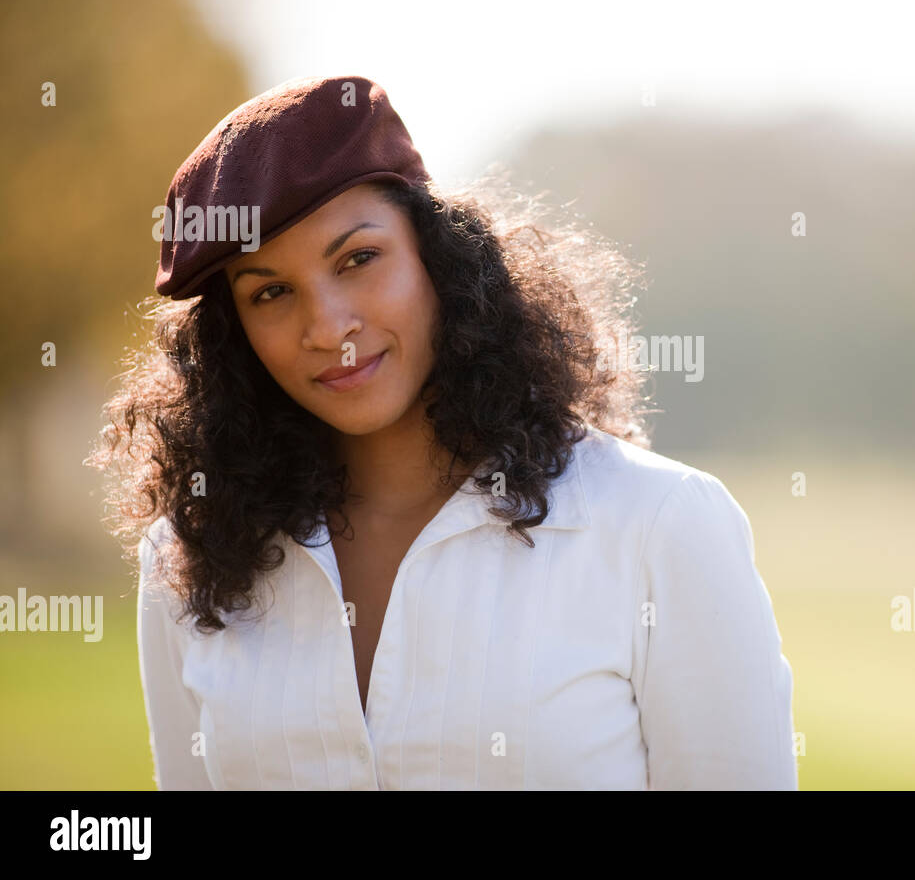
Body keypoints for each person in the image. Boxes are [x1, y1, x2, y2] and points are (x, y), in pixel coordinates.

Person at [89, 75, 797, 790]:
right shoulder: (186, 560)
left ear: (439, 255)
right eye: (271, 292)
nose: (329, 328)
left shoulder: (660, 527)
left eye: (358, 259)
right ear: (234, 334)